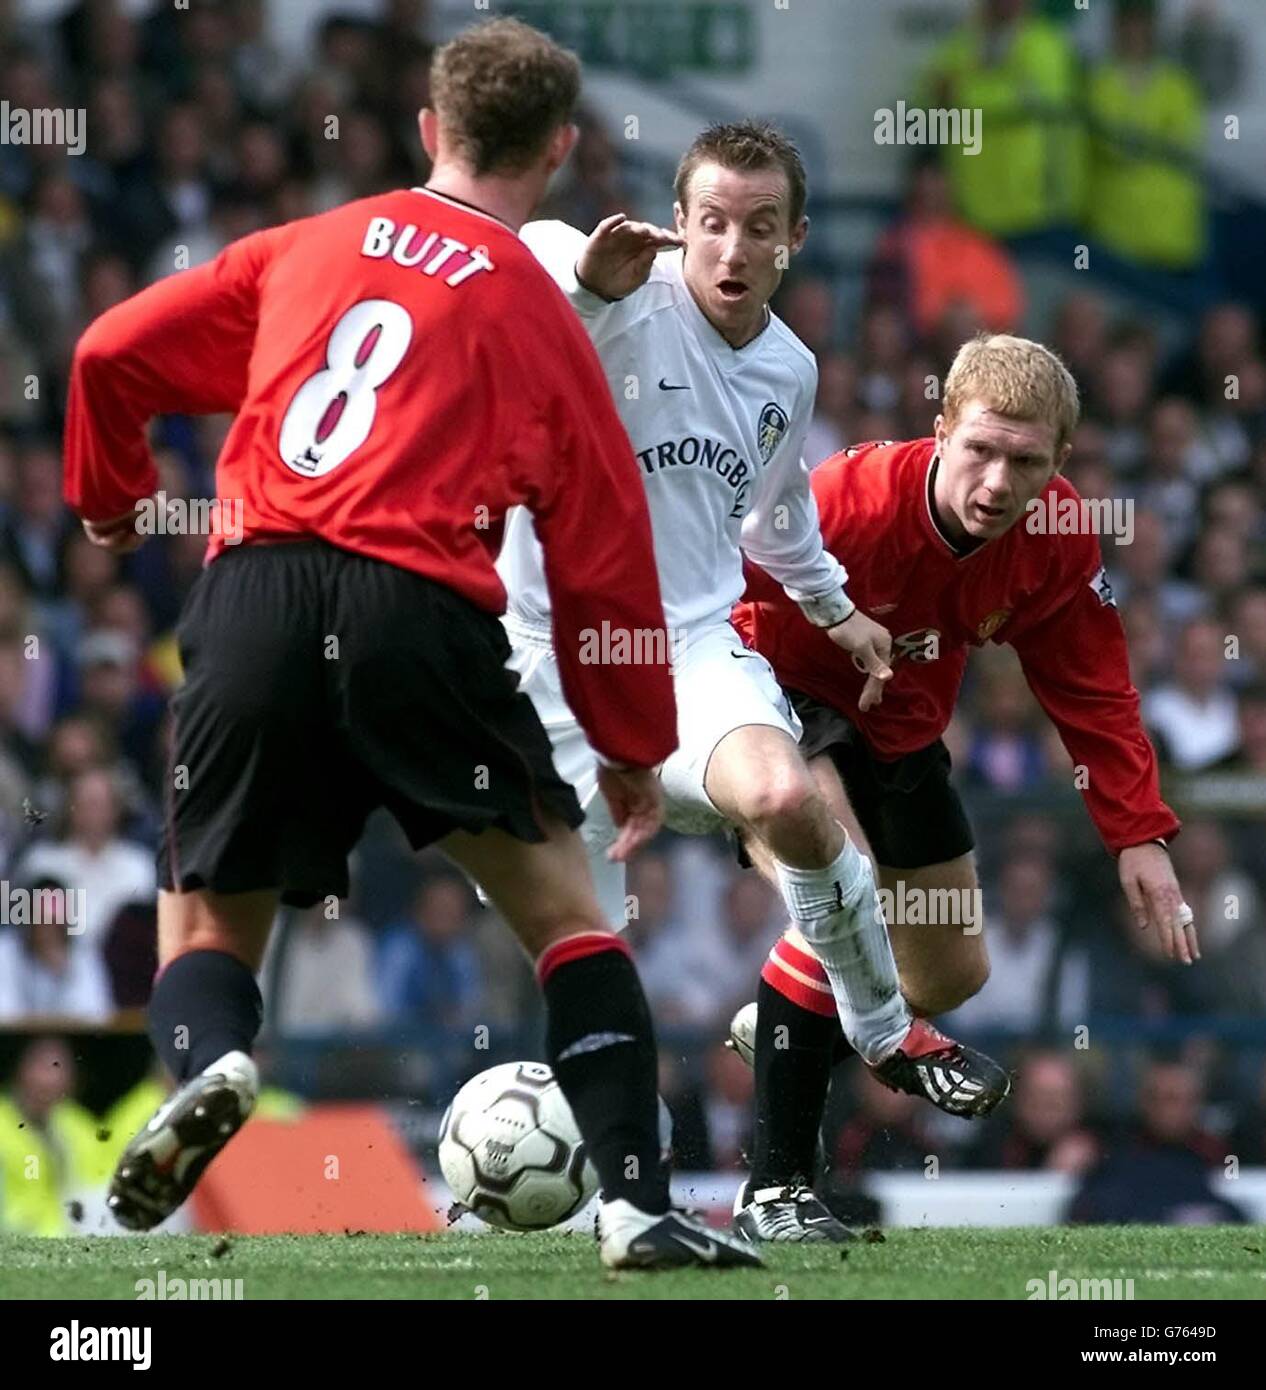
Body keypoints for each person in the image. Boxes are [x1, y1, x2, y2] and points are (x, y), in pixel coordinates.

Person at [61, 17, 754, 1272]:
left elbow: (107, 350)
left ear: (429, 130)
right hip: (414, 615)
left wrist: (107, 493)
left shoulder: (305, 247)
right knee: (568, 922)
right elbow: (602, 552)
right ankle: (640, 1205)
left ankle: (212, 1059)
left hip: (254, 596)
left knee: (209, 933)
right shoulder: (541, 318)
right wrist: (635, 745)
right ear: (557, 148)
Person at [488, 121, 1011, 1246]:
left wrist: (838, 612)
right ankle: (632, 1205)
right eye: (712, 221)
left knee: (791, 801)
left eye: (758, 228)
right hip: (542, 661)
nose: (731, 246)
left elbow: (776, 523)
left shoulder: (788, 365)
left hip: (684, 646)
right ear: (681, 221)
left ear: (795, 242)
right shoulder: (611, 288)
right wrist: (588, 282)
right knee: (577, 943)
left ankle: (882, 1029)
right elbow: (520, 326)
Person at [727, 332, 1199, 1239]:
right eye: (979, 448)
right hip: (777, 703)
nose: (995, 482)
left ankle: (794, 1022)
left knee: (945, 971)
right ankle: (778, 1193)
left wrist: (1137, 832)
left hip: (900, 740)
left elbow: (1092, 684)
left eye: (1025, 462)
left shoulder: (1056, 538)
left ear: (1060, 462)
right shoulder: (845, 503)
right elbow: (713, 599)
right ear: (941, 428)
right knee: (842, 896)